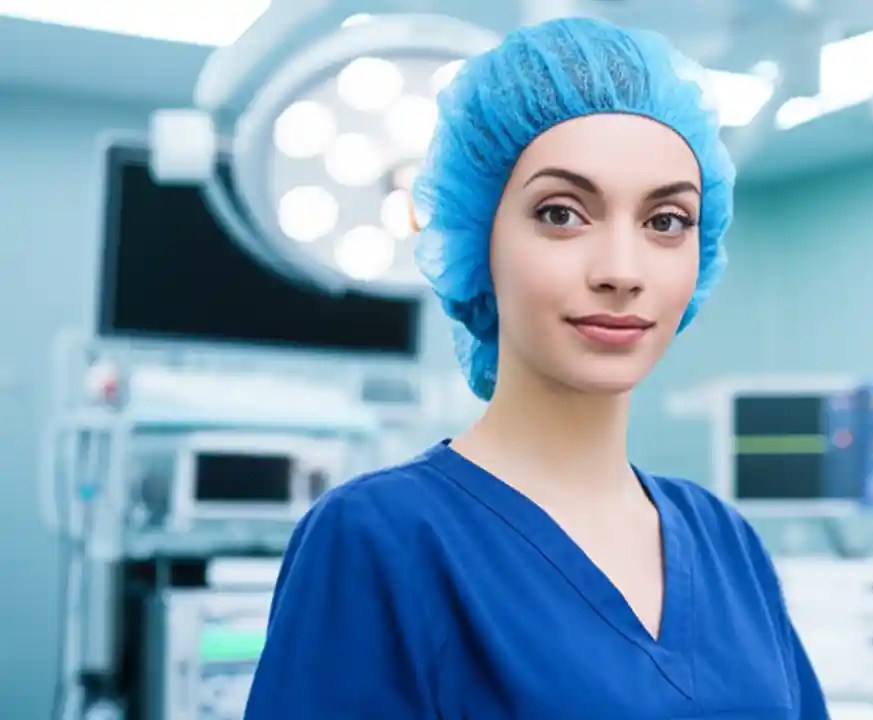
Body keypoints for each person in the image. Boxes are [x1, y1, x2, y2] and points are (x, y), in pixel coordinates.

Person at [245, 16, 828, 719]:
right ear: (477, 239)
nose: (622, 270)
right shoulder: (381, 539)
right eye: (561, 213)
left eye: (666, 221)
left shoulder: (726, 543)